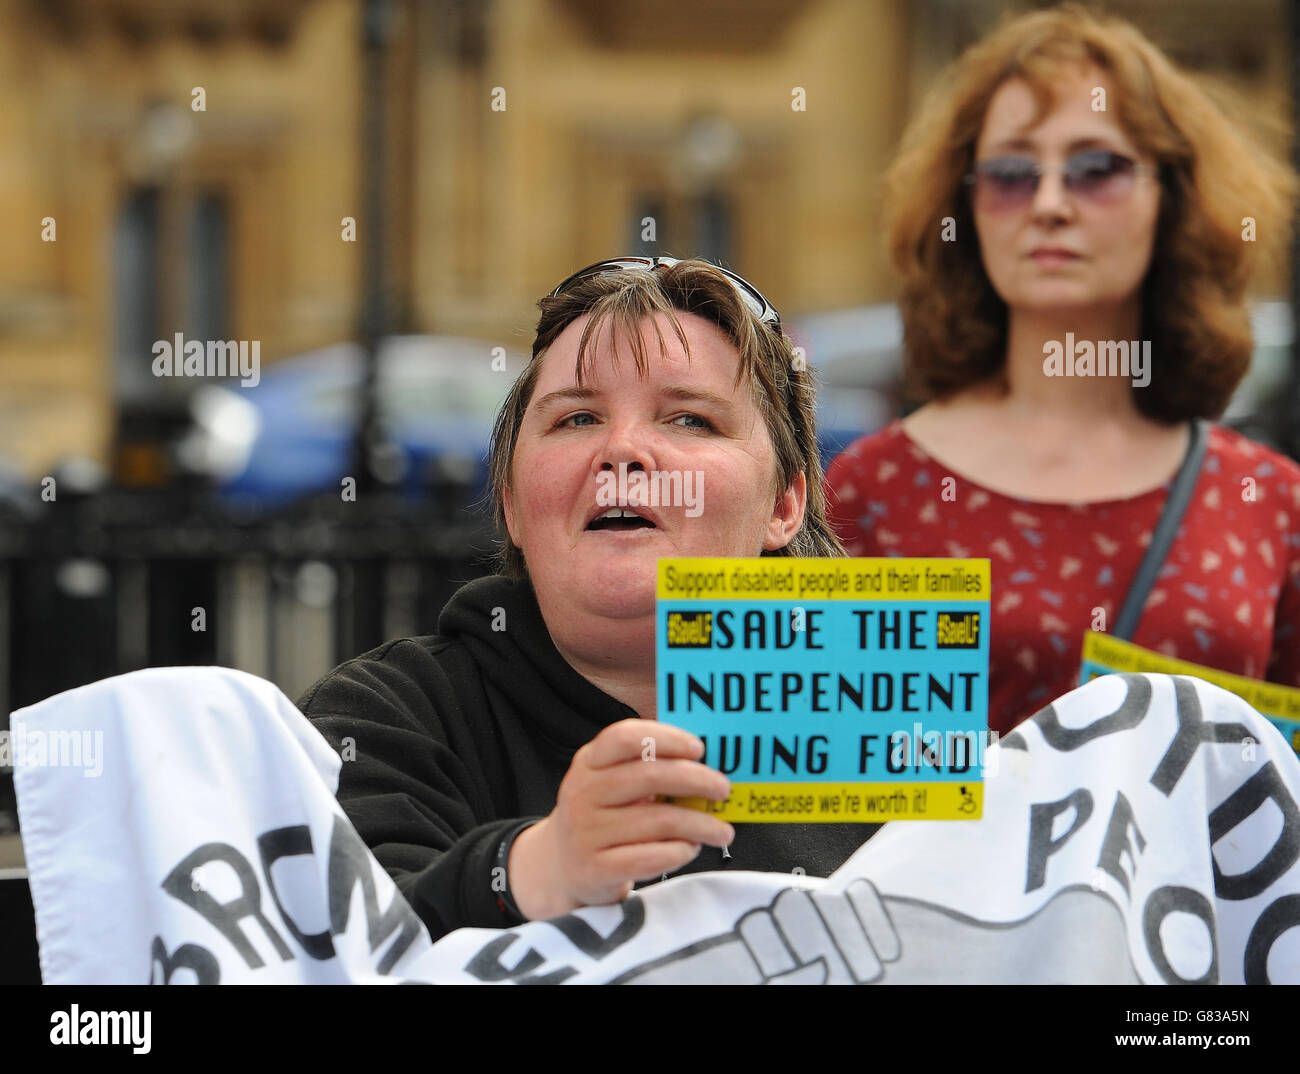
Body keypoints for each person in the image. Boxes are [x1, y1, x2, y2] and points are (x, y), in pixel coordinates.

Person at [298, 257, 876, 943]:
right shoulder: (388, 715)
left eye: (690, 419)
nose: (623, 449)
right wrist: (530, 871)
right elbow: (328, 949)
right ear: (511, 504)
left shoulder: (878, 716)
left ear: (785, 503)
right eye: (576, 419)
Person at [826, 4, 1300, 736]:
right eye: (1011, 172)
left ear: (1170, 200)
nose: (1048, 204)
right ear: (969, 205)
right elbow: (807, 807)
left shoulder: (1271, 505)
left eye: (1096, 169)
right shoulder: (867, 493)